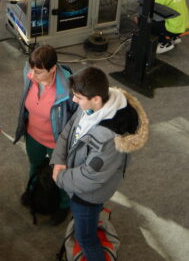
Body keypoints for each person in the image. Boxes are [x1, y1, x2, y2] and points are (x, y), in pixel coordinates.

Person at [50, 67, 148, 261]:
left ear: (96, 98)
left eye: (78, 97)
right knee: (84, 226)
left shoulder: (108, 138)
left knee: (85, 238)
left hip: (87, 196)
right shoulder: (92, 105)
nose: (74, 101)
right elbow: (69, 130)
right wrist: (59, 161)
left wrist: (60, 176)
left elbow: (90, 178)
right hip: (74, 179)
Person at [13, 45, 76, 225]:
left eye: (39, 72)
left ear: (53, 69)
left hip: (57, 142)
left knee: (60, 175)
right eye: (32, 70)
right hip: (33, 134)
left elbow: (77, 118)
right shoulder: (31, 72)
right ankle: (32, 190)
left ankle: (64, 204)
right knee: (34, 165)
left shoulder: (68, 89)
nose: (32, 75)